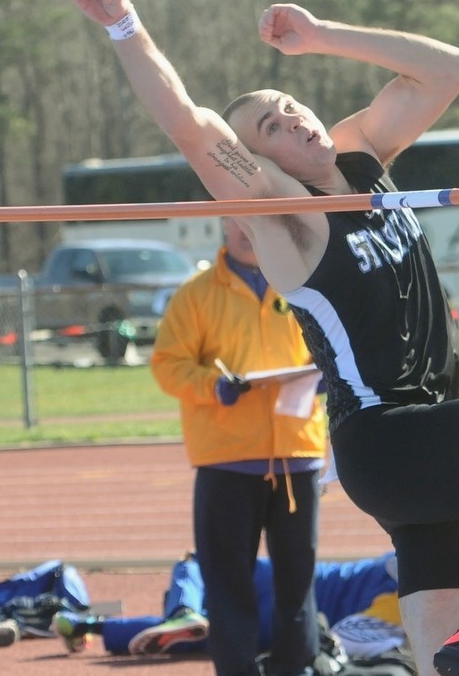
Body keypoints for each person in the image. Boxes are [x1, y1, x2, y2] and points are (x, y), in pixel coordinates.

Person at [56, 0, 459, 675]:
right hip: (386, 440)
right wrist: (123, 23)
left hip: (435, 436)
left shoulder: (364, 159)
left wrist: (322, 36)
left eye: (291, 107)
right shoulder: (283, 213)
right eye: (271, 127)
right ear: (259, 161)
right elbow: (189, 126)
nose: (293, 119)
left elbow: (448, 70)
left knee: (453, 668)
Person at [149, 217, 329, 676]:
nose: (248, 229)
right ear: (224, 222)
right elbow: (168, 364)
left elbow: (335, 349)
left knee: (298, 585)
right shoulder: (196, 293)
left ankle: (296, 669)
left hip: (297, 455)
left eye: (260, 218)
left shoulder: (303, 284)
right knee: (228, 584)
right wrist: (213, 386)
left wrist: (328, 375)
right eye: (238, 218)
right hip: (226, 460)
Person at [53, 551, 409, 668]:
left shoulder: (405, 582)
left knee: (201, 560)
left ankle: (182, 612)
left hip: (299, 586)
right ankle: (92, 626)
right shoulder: (407, 612)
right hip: (294, 627)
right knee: (214, 632)